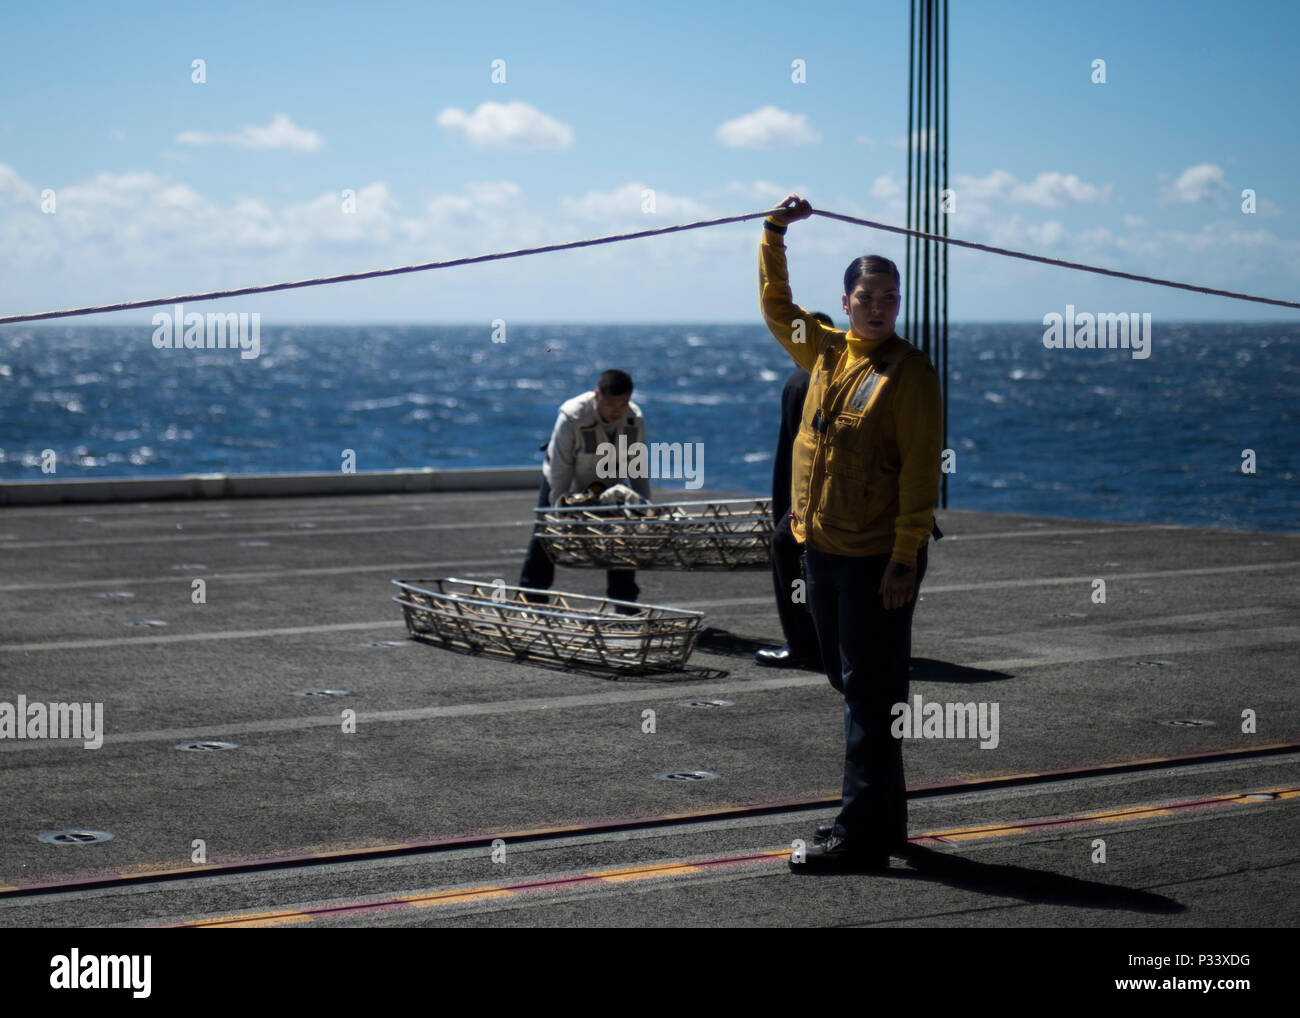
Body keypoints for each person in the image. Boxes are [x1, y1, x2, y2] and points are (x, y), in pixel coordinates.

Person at [760, 194, 942, 871]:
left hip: (875, 562)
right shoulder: (827, 353)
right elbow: (777, 308)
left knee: (868, 693)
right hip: (824, 553)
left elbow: (922, 475)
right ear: (845, 301)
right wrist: (774, 231)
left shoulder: (910, 374)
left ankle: (859, 836)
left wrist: (903, 560)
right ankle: (884, 822)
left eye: (889, 297)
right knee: (854, 684)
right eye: (868, 296)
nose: (879, 306)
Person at [518, 369, 652, 604]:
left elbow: (638, 469)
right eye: (611, 404)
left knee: (622, 533)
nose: (617, 411)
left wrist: (644, 508)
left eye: (623, 404)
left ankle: (624, 600)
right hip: (566, 478)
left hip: (609, 482)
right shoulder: (572, 416)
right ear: (597, 395)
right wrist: (560, 512)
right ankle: (532, 597)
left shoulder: (634, 419)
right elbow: (561, 469)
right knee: (544, 532)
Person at [754, 312, 833, 670]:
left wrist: (783, 511)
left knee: (785, 547)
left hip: (812, 496)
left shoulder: (799, 382)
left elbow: (791, 453)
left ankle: (801, 643)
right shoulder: (849, 375)